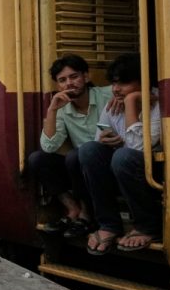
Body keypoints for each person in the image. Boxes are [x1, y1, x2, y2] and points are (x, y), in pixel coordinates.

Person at [76, 53, 162, 254]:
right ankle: (109, 225)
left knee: (123, 157)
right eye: (114, 83)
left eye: (123, 84)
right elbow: (98, 137)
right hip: (125, 172)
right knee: (88, 150)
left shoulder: (158, 104)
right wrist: (104, 140)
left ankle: (148, 226)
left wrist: (132, 102)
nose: (115, 89)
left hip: (154, 173)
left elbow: (138, 149)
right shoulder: (113, 104)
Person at [28, 54, 113, 239]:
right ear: (58, 85)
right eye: (62, 80)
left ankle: (86, 214)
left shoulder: (109, 95)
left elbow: (148, 93)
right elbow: (49, 147)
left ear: (86, 77)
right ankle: (73, 209)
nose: (69, 83)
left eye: (74, 77)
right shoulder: (61, 107)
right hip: (80, 168)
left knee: (78, 154)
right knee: (38, 159)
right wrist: (52, 110)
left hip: (109, 165)